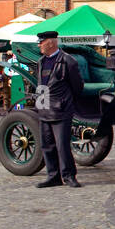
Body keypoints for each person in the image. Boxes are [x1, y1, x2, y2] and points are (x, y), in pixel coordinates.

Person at [35, 30, 84, 188]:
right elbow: (40, 84)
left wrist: (65, 101)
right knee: (47, 145)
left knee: (62, 146)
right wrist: (40, 105)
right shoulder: (41, 61)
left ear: (51, 42)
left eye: (41, 42)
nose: (39, 45)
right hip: (44, 108)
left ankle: (69, 176)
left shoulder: (67, 61)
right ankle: (53, 176)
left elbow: (78, 86)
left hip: (61, 109)